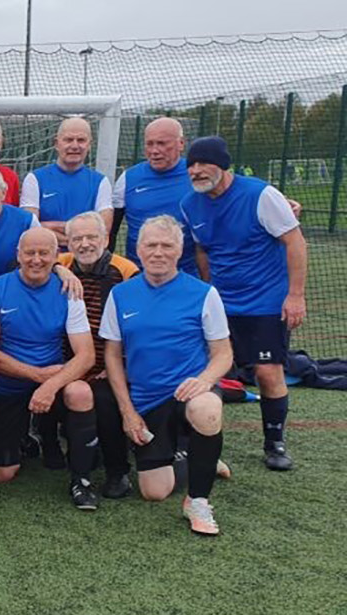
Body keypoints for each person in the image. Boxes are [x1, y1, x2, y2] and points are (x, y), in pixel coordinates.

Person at [179, 135, 307, 471]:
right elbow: (202, 250)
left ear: (222, 165)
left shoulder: (260, 194)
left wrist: (295, 295)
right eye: (190, 165)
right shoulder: (190, 204)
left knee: (267, 372)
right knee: (206, 372)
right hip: (221, 304)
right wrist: (208, 292)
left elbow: (294, 242)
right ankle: (199, 440)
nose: (195, 171)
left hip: (265, 303)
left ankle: (274, 442)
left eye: (202, 163)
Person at [101, 215, 232, 535]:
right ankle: (203, 456)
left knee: (207, 408)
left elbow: (223, 354)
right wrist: (128, 411)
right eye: (151, 245)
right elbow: (112, 356)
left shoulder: (203, 293)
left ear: (179, 249)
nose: (158, 252)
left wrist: (204, 381)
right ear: (139, 250)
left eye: (166, 245)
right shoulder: (121, 294)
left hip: (188, 393)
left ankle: (198, 501)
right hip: (147, 400)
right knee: (154, 492)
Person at [0, 228, 100, 510]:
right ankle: (28, 435)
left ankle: (81, 481)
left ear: (56, 257)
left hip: (52, 383)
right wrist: (36, 376)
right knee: (3, 473)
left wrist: (49, 385)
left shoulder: (68, 290)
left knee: (81, 392)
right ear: (18, 256)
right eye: (30, 253)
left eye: (44, 253)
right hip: (8, 385)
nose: (36, 259)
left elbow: (86, 357)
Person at [53, 212, 140, 494]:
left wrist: (122, 364)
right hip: (68, 362)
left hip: (108, 363)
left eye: (92, 237)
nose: (85, 244)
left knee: (105, 397)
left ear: (105, 239)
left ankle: (118, 471)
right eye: (77, 238)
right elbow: (27, 260)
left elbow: (139, 324)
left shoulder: (126, 272)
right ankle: (55, 447)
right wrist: (58, 269)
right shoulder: (61, 263)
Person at [110, 118, 198, 273]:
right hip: (137, 275)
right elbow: (112, 231)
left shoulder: (197, 175)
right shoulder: (128, 178)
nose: (154, 151)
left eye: (162, 143)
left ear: (181, 144)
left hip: (186, 275)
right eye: (149, 144)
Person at [19, 117, 113, 245]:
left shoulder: (101, 182)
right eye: (68, 140)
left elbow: (103, 230)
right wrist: (81, 235)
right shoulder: (34, 179)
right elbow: (30, 227)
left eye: (81, 140)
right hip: (47, 259)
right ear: (57, 144)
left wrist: (49, 226)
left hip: (85, 258)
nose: (75, 146)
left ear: (89, 144)